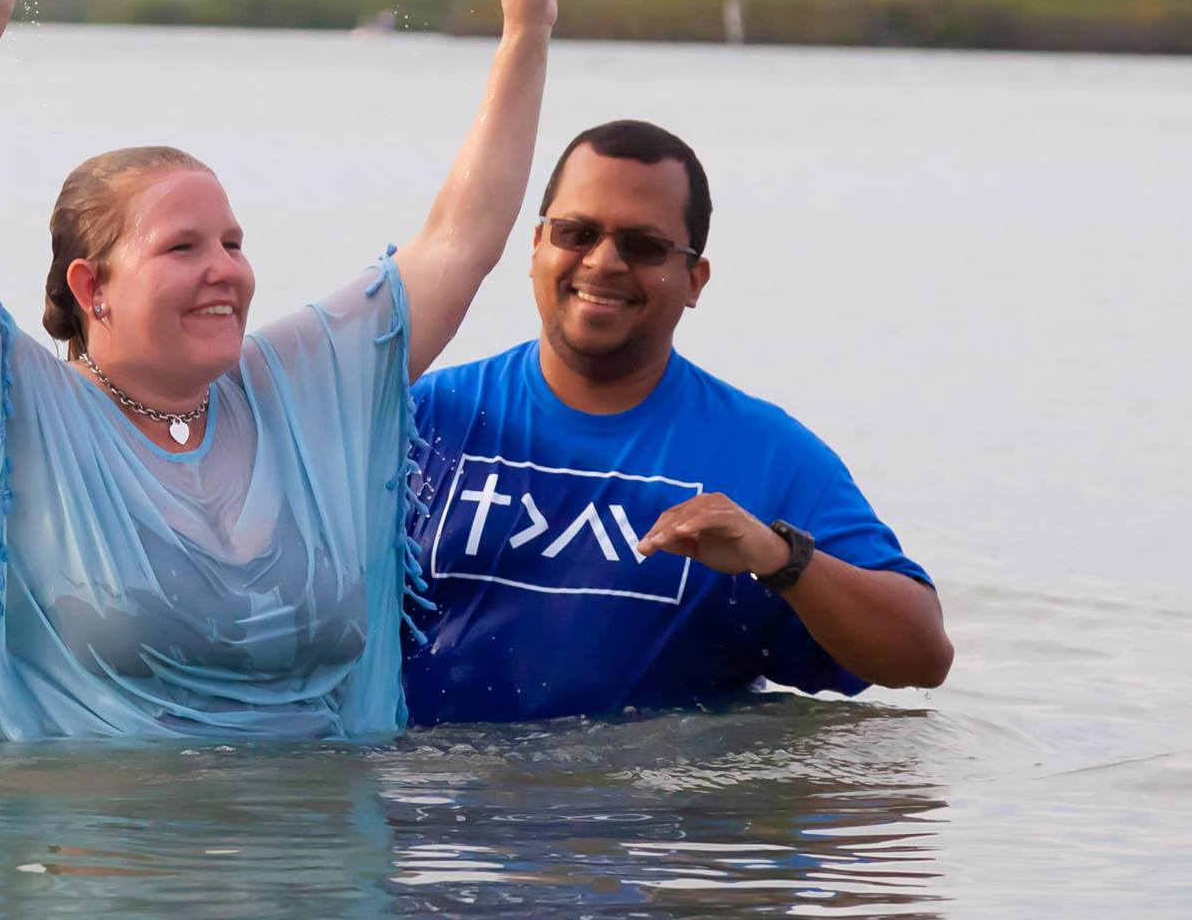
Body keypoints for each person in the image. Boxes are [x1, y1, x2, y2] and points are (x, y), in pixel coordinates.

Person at [0, 0, 563, 748]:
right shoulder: (16, 416)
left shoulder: (296, 386)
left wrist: (524, 32)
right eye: (183, 246)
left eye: (234, 242)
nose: (226, 270)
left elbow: (461, 243)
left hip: (311, 865)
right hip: (103, 862)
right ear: (92, 285)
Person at [402, 120, 954, 724]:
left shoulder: (767, 461)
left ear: (695, 280)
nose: (604, 261)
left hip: (658, 811)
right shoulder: (426, 418)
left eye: (643, 246)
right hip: (429, 803)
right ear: (536, 247)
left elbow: (922, 657)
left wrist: (779, 558)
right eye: (577, 233)